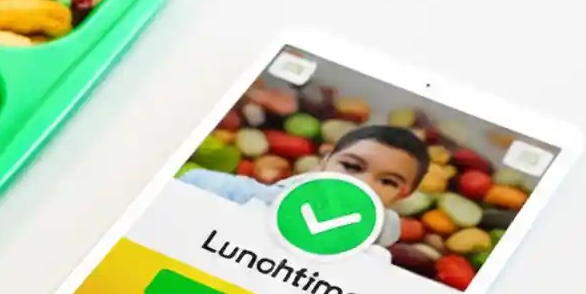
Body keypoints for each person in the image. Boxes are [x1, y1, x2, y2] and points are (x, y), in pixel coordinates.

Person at [180, 125, 430, 249]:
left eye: (387, 182)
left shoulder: (384, 229)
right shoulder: (276, 199)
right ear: (324, 163)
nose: (361, 183)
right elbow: (202, 181)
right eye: (351, 166)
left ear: (402, 194)